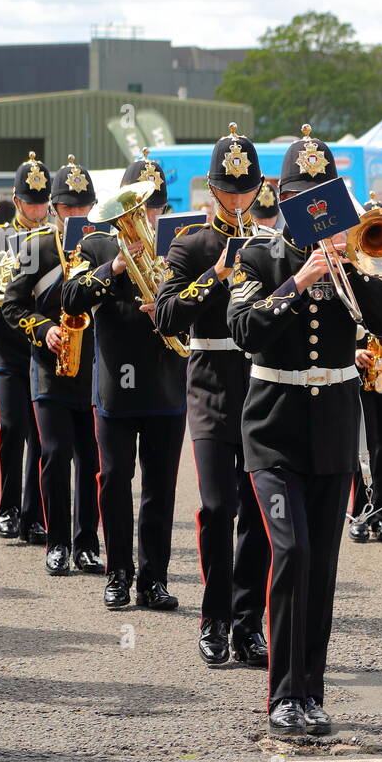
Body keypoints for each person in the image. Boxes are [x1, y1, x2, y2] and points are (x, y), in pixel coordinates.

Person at [226, 125, 382, 735]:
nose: (317, 207)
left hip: (331, 428)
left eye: (325, 193)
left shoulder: (353, 258)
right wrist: (299, 281)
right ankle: (280, 695)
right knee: (291, 552)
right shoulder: (258, 254)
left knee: (321, 564)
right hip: (273, 428)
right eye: (305, 194)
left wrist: (359, 268)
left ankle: (310, 693)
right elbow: (245, 329)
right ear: (285, 195)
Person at [154, 129, 270, 665]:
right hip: (209, 387)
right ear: (212, 190)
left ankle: (248, 624)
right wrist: (215, 274)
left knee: (259, 513)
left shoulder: (272, 245)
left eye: (246, 189)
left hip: (262, 389)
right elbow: (168, 315)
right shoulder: (190, 244)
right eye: (230, 189)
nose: (239, 199)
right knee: (218, 506)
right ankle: (214, 616)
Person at [63, 151, 183, 611]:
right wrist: (114, 267)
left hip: (166, 380)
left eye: (154, 207)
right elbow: (71, 298)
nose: (147, 216)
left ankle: (154, 579)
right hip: (116, 382)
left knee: (161, 485)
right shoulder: (95, 244)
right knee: (114, 479)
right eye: (139, 207)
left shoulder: (179, 245)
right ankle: (117, 574)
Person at [1, 155, 103, 577]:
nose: (75, 214)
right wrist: (43, 331)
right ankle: (57, 543)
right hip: (49, 366)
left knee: (92, 461)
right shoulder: (37, 247)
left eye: (82, 207)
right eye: (67, 207)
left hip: (94, 370)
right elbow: (12, 306)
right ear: (56, 208)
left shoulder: (103, 246)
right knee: (56, 453)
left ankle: (87, 545)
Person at [0, 153, 48, 546]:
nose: (37, 209)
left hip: (41, 346)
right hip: (5, 348)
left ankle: (34, 513)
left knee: (42, 436)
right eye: (30, 201)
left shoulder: (52, 238)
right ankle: (7, 507)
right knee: (12, 426)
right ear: (17, 199)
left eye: (43, 201)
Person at [349, 193, 382, 545]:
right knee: (362, 443)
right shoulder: (352, 269)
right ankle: (359, 511)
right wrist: (353, 349)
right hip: (361, 363)